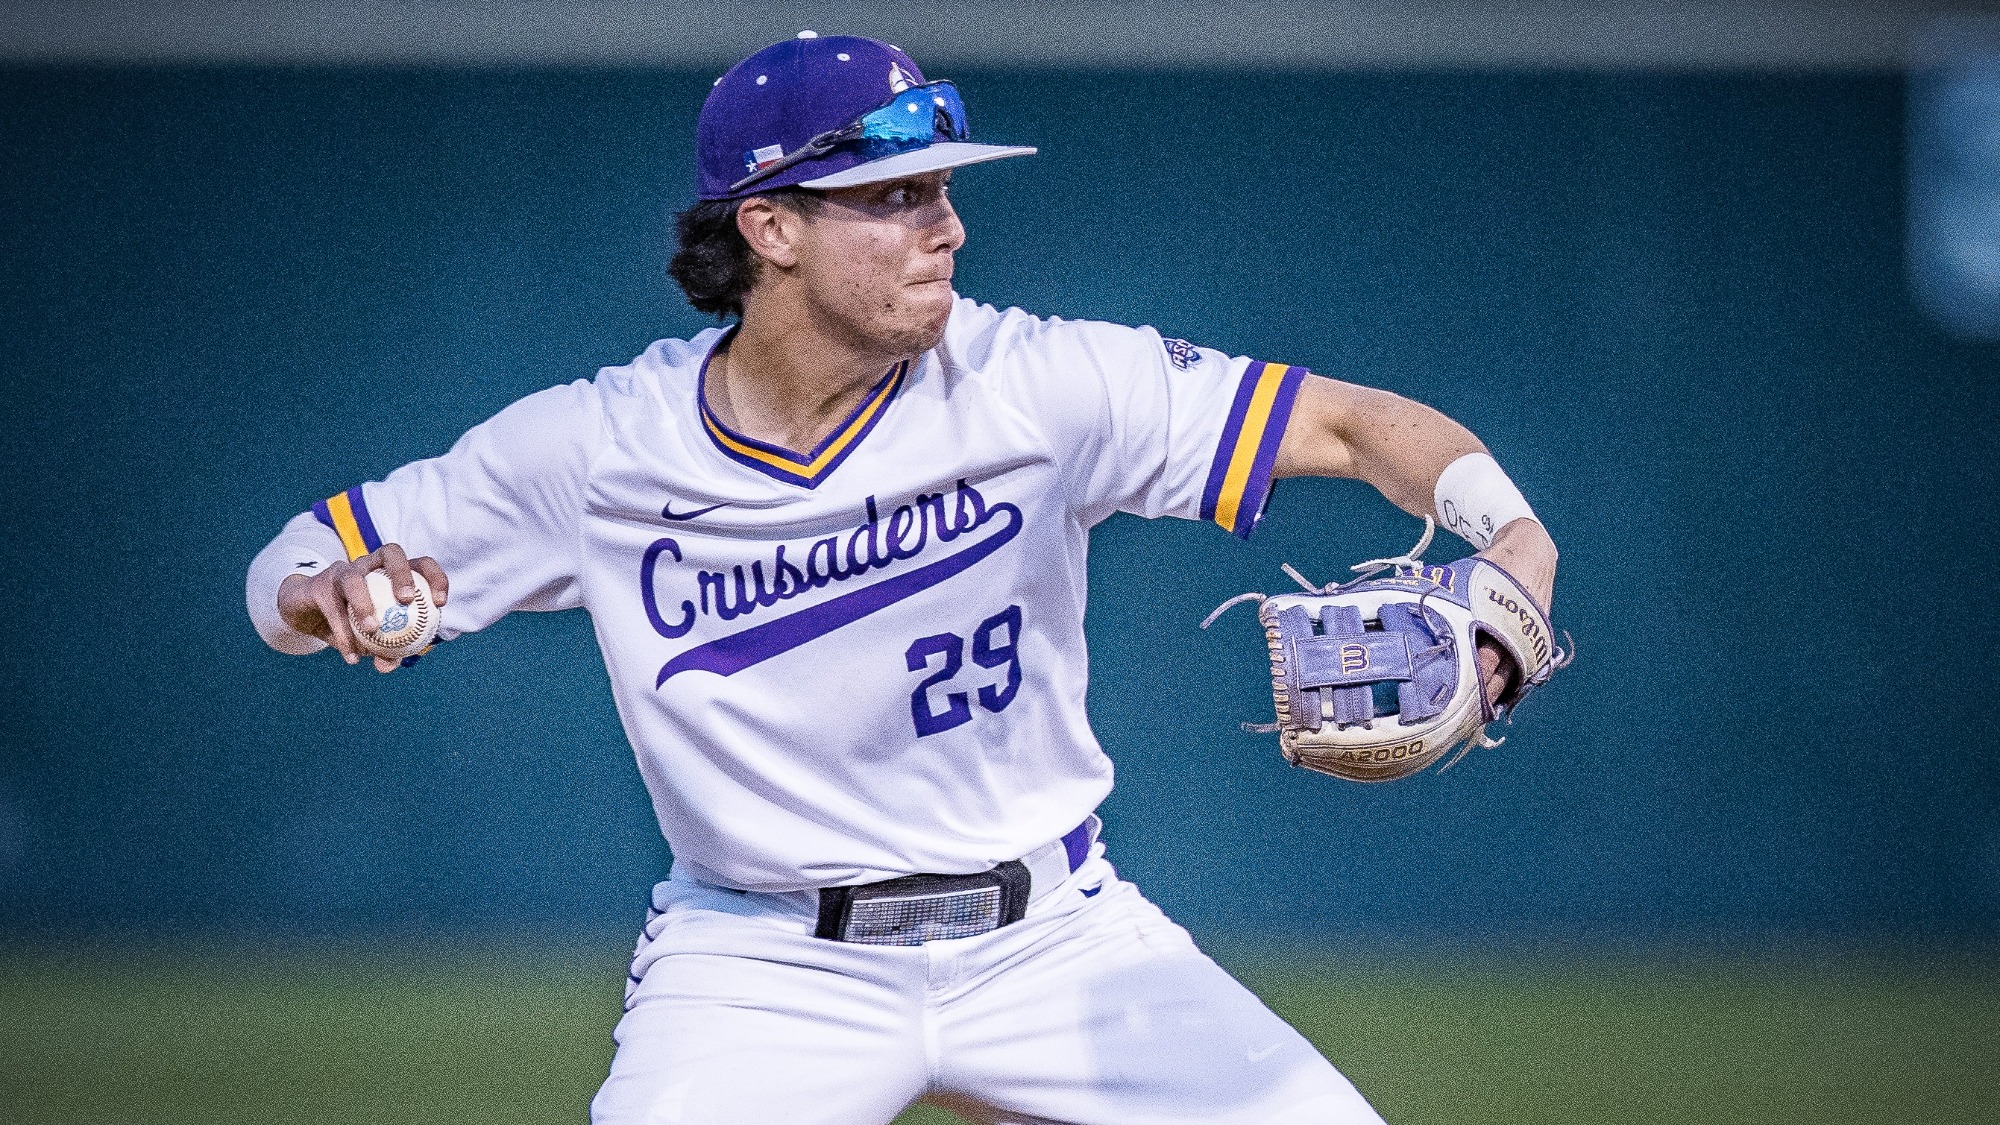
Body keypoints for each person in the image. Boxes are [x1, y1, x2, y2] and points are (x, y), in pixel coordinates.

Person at [246, 32, 1558, 1125]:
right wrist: (324, 595)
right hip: (762, 960)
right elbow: (291, 565)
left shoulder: (1034, 383)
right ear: (771, 227)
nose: (949, 225)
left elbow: (1346, 424)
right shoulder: (598, 448)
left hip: (1054, 934)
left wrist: (1514, 538)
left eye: (943, 188)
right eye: (896, 196)